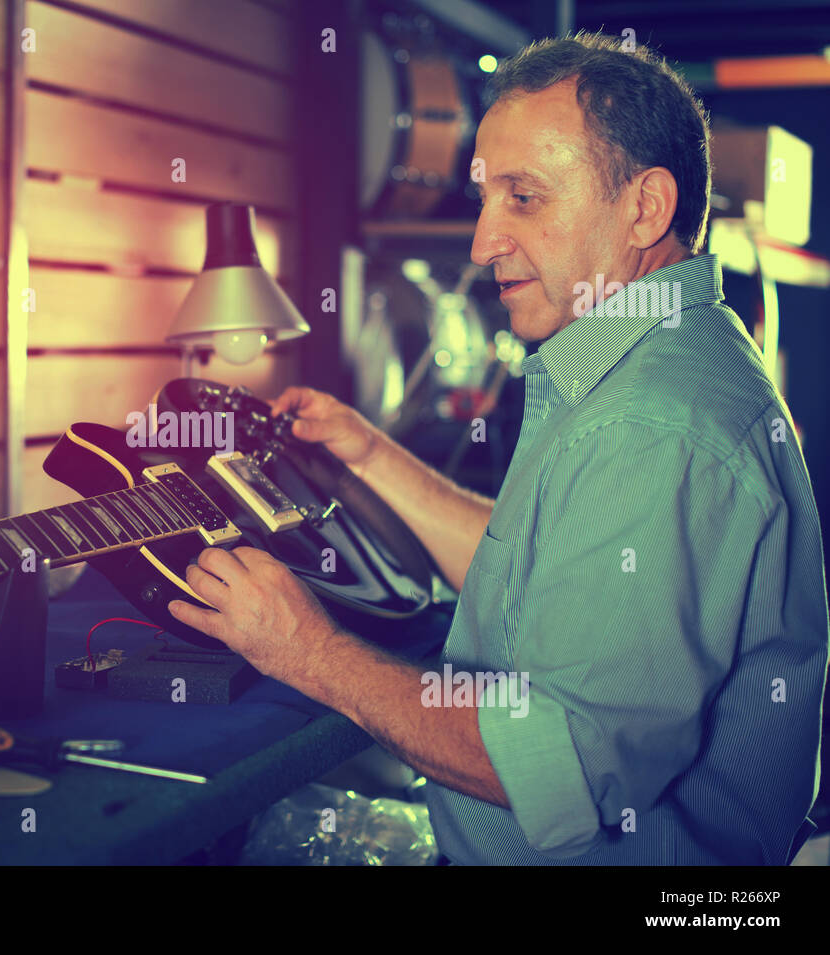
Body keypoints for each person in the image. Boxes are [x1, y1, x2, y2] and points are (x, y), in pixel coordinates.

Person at [168, 32, 829, 865]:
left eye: (525, 196)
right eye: (486, 199)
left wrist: (308, 651)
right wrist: (370, 454)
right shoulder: (649, 361)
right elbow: (543, 573)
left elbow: (565, 768)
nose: (483, 243)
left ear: (646, 208)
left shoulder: (651, 427)